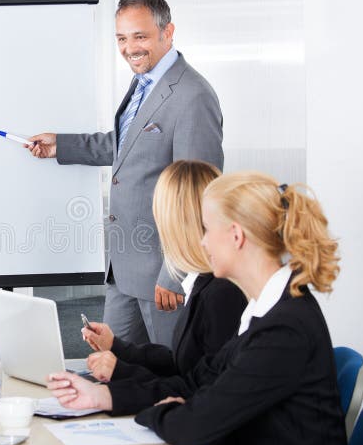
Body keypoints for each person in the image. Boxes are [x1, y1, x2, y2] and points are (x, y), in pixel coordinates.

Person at [48, 172, 353, 445]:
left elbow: (192, 425)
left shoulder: (285, 330)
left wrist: (160, 412)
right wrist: (103, 395)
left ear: (236, 236)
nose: (202, 241)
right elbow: (197, 381)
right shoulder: (268, 310)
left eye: (207, 230)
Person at [27, 0, 224, 347]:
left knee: (170, 381)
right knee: (110, 370)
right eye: (121, 38)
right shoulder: (144, 82)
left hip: (162, 276)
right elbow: (129, 146)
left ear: (168, 32)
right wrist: (62, 145)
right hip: (124, 270)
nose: (129, 47)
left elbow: (199, 194)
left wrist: (175, 272)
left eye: (140, 36)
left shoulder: (192, 95)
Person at [80, 160, 246, 385]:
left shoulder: (221, 294)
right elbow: (180, 361)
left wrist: (119, 375)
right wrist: (115, 346)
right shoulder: (202, 283)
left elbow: (199, 388)